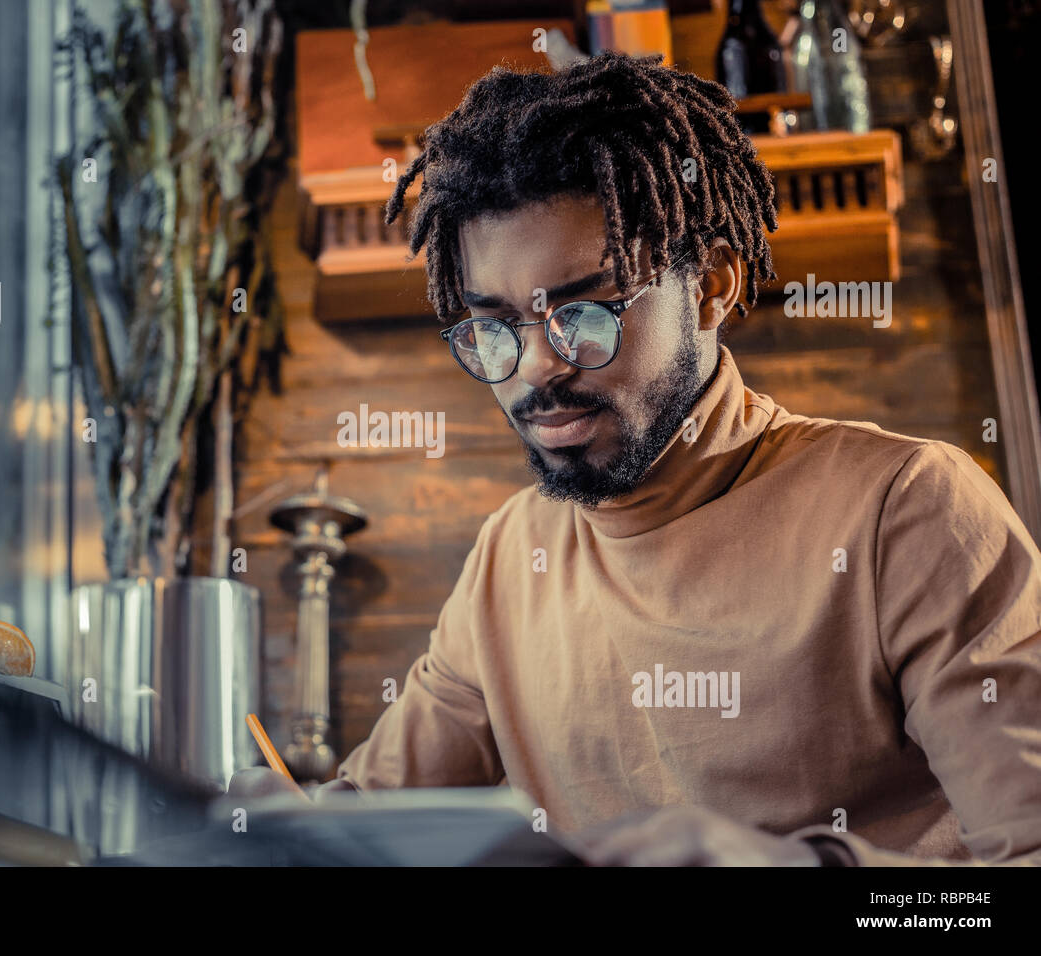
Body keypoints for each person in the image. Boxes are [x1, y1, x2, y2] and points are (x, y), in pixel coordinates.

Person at [231, 51, 1041, 866]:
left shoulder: (908, 512)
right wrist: (274, 832)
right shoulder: (512, 559)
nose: (539, 368)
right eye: (496, 329)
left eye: (585, 312)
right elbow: (358, 832)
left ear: (713, 286)